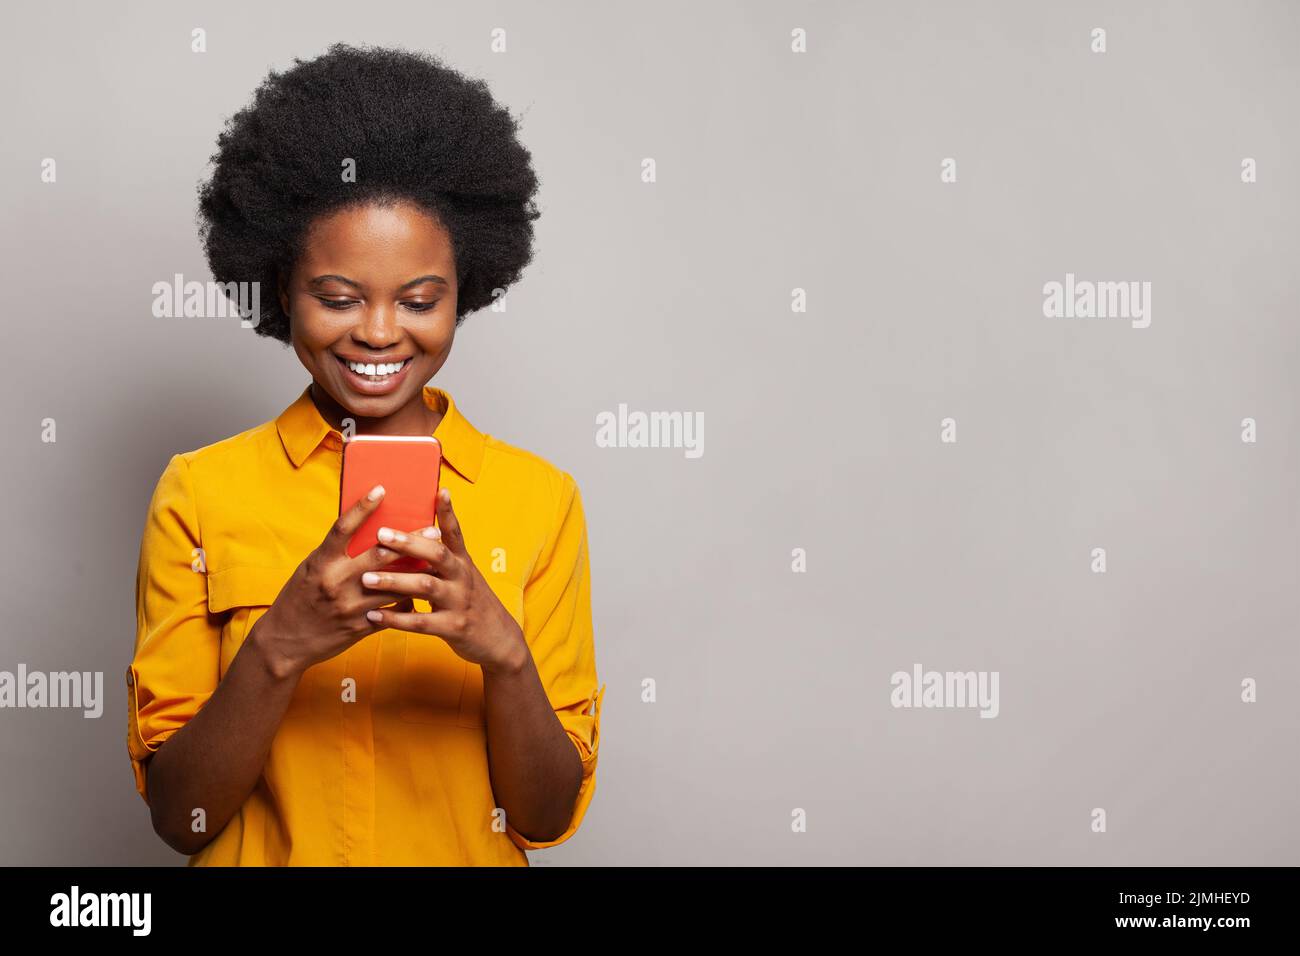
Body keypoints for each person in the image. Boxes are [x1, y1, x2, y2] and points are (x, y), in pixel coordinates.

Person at [126, 43, 604, 866]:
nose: (380, 332)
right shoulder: (200, 491)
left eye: (420, 299)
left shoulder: (540, 498)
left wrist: (503, 654)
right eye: (338, 297)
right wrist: (281, 641)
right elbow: (182, 819)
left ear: (468, 290)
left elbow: (545, 816)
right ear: (283, 292)